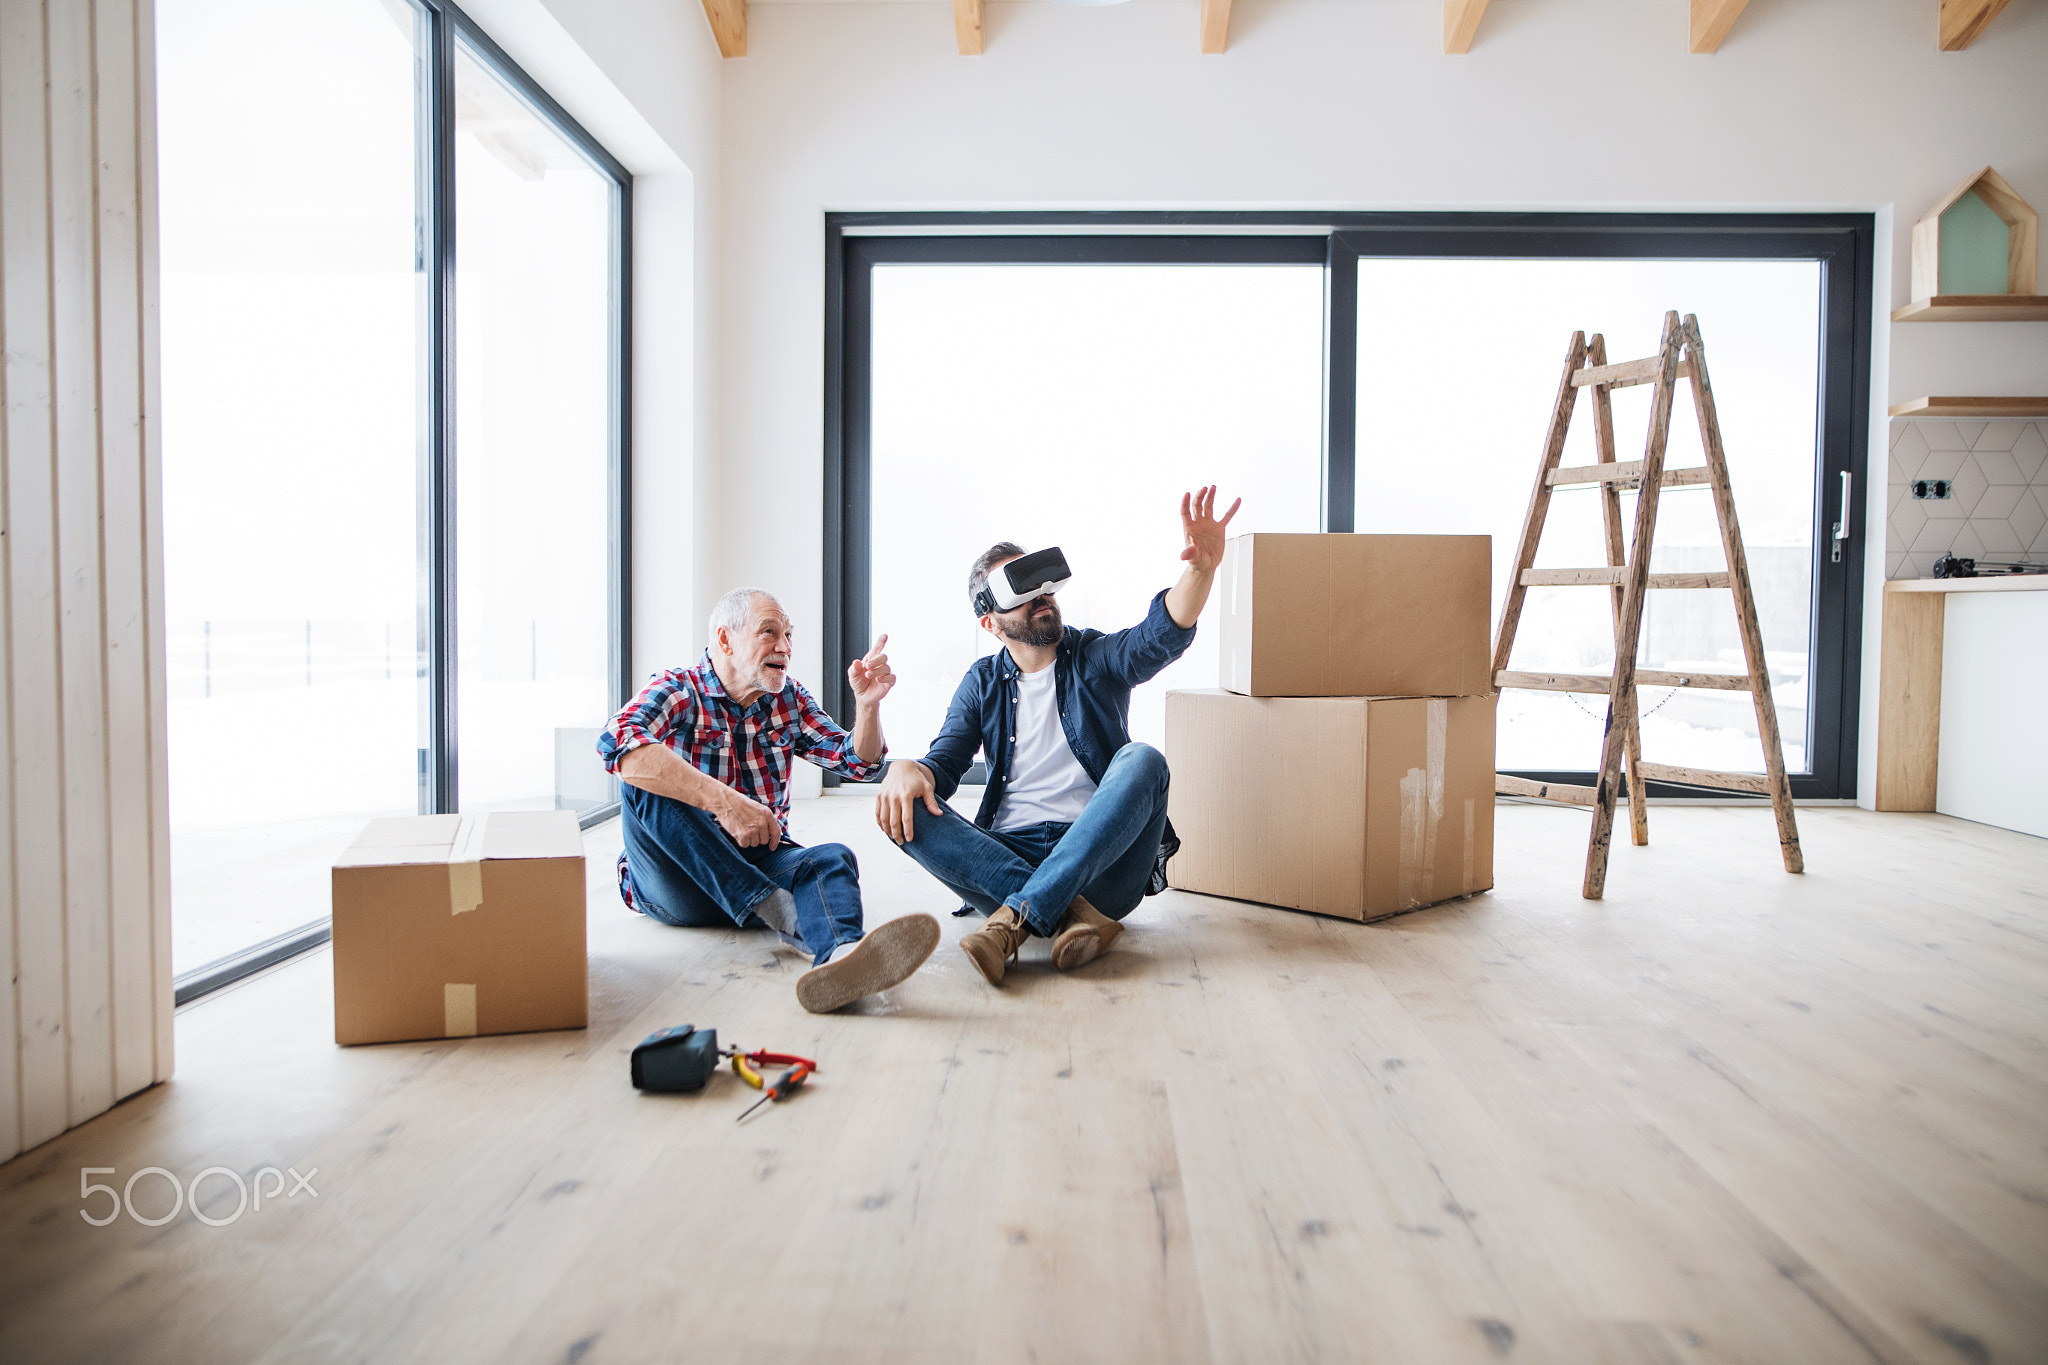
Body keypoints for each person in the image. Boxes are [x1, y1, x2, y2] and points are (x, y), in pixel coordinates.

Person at [875, 487, 1240, 986]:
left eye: (1043, 584)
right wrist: (904, 769)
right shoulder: (981, 683)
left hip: (1102, 862)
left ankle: (1016, 920)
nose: (1041, 595)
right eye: (1021, 592)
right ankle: (1070, 915)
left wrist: (1200, 570)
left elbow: (1155, 637)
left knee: (1143, 761)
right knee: (903, 806)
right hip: (1002, 859)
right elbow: (942, 767)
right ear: (990, 620)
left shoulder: (1093, 657)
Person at [597, 588, 939, 1013]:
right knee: (643, 777)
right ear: (725, 640)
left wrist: (867, 708)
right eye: (769, 632)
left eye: (789, 635)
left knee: (830, 858)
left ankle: (842, 957)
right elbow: (617, 742)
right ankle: (778, 908)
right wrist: (727, 803)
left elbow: (858, 763)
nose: (785, 647)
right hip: (681, 881)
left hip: (758, 859)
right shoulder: (679, 688)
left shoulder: (787, 699)